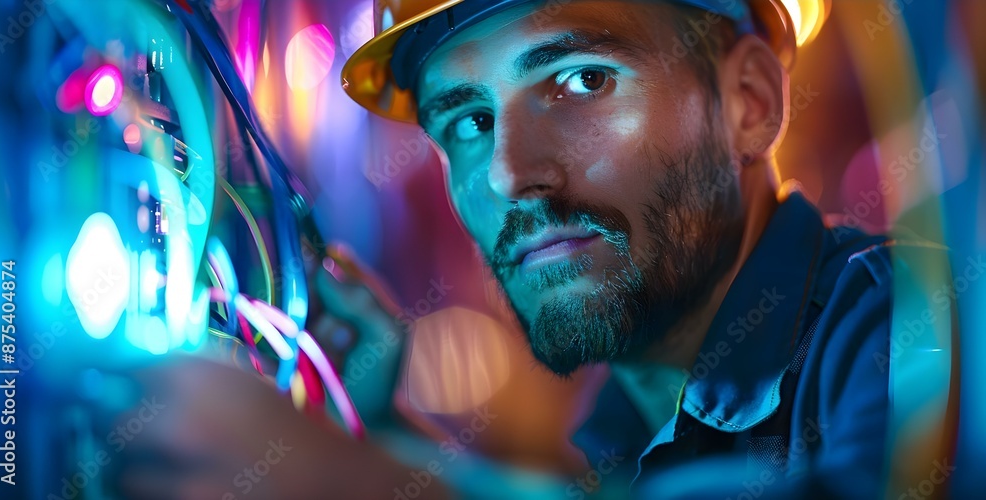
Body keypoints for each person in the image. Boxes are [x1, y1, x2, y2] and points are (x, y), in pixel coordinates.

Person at [111, 1, 954, 498]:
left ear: (750, 102)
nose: (512, 174)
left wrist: (354, 484)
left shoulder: (916, 333)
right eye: (469, 123)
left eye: (583, 81)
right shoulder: (621, 433)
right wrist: (382, 437)